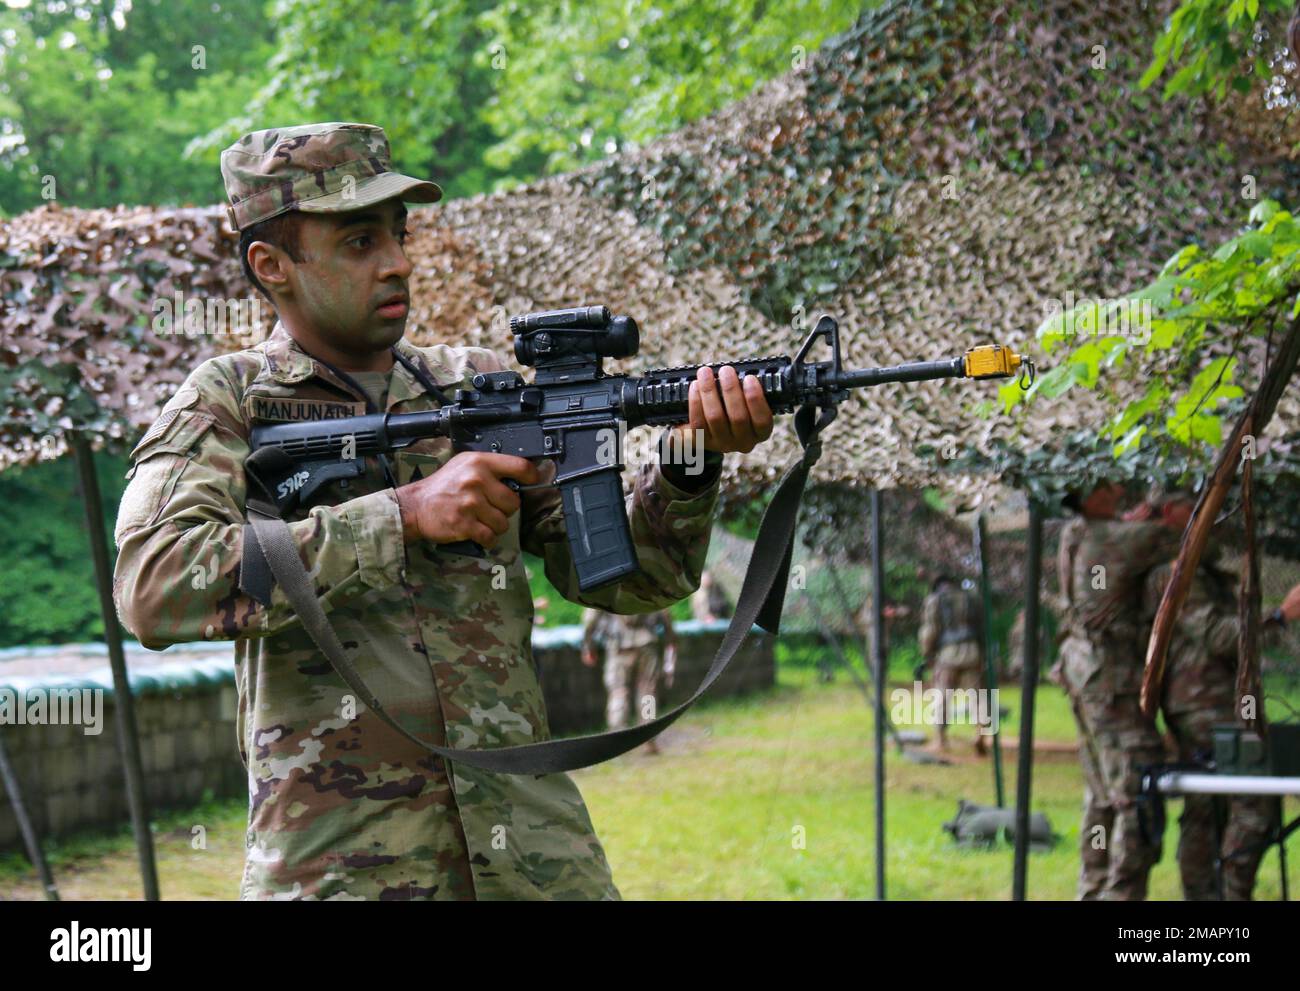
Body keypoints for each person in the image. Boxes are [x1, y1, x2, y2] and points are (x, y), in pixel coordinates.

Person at [111, 121, 775, 901]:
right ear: (272, 265)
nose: (398, 262)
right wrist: (402, 515)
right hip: (342, 868)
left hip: (535, 860)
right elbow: (152, 587)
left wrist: (692, 460)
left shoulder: (478, 385)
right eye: (360, 241)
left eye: (398, 233)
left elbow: (631, 580)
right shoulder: (229, 401)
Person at [1141, 495, 1300, 899]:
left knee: (1206, 807)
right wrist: (1281, 615)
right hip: (1203, 708)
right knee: (1253, 803)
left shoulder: (1205, 572)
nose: (1205, 512)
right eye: (1189, 504)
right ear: (1167, 514)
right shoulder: (1178, 574)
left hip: (1212, 705)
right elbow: (1219, 636)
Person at [1057, 481, 1178, 900]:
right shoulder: (1117, 537)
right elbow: (1191, 543)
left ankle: (1093, 887)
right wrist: (1165, 515)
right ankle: (1121, 893)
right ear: (1090, 499)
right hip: (1111, 678)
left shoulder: (1076, 534)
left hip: (1084, 672)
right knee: (1137, 786)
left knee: (1102, 790)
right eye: (1107, 488)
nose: (1118, 489)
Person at [582, 608, 677, 755]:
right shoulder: (650, 583)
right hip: (647, 643)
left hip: (618, 645)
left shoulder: (608, 584)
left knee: (618, 692)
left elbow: (591, 616)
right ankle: (648, 737)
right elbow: (665, 612)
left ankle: (617, 739)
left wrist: (588, 644)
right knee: (648, 693)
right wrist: (670, 639)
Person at [917, 575, 987, 754]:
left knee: (942, 695)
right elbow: (983, 627)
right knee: (977, 696)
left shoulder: (935, 601)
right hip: (973, 652)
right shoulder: (972, 599)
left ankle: (940, 740)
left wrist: (927, 654)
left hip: (948, 654)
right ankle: (980, 733)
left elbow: (929, 631)